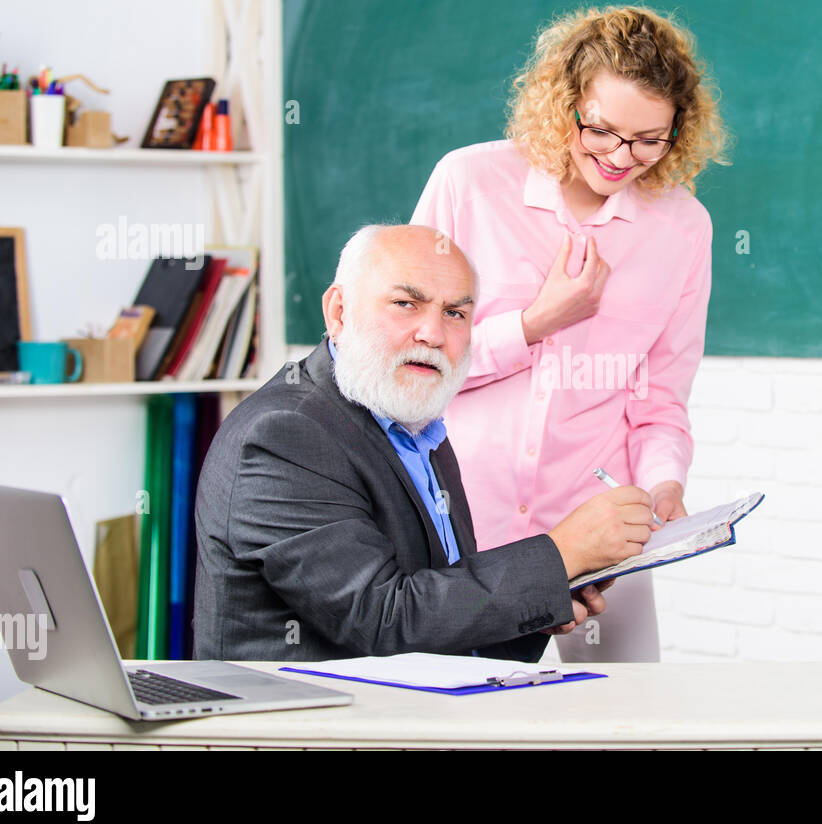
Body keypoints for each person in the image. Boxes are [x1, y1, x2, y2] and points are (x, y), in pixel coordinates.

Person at [410, 7, 728, 661]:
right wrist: (535, 324)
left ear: (678, 129)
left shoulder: (682, 228)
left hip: (602, 526)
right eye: (603, 130)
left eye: (649, 140)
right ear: (566, 104)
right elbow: (411, 360)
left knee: (629, 718)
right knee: (467, 719)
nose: (621, 158)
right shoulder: (469, 185)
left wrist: (665, 482)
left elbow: (660, 397)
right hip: (466, 524)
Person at [193, 225, 653, 662]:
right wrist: (561, 552)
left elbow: (433, 603)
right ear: (338, 312)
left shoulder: (417, 423)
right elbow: (381, 620)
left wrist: (547, 591)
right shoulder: (284, 435)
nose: (433, 334)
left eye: (455, 313)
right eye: (406, 304)